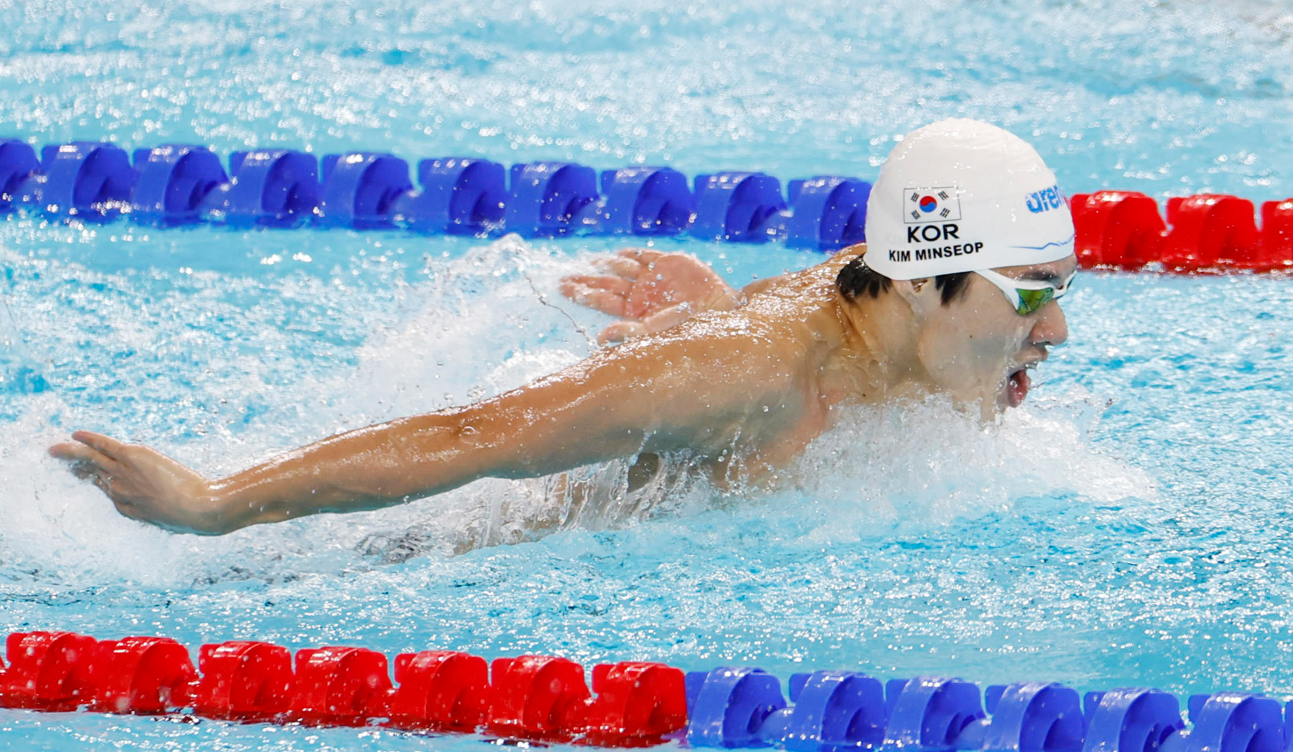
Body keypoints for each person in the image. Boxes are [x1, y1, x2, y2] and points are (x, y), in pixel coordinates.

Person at [48, 119, 1076, 536]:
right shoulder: (738, 375)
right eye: (1032, 291)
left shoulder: (905, 323)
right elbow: (477, 437)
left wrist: (715, 307)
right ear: (919, 281)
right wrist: (214, 502)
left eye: (1064, 287)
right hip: (490, 532)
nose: (1060, 329)